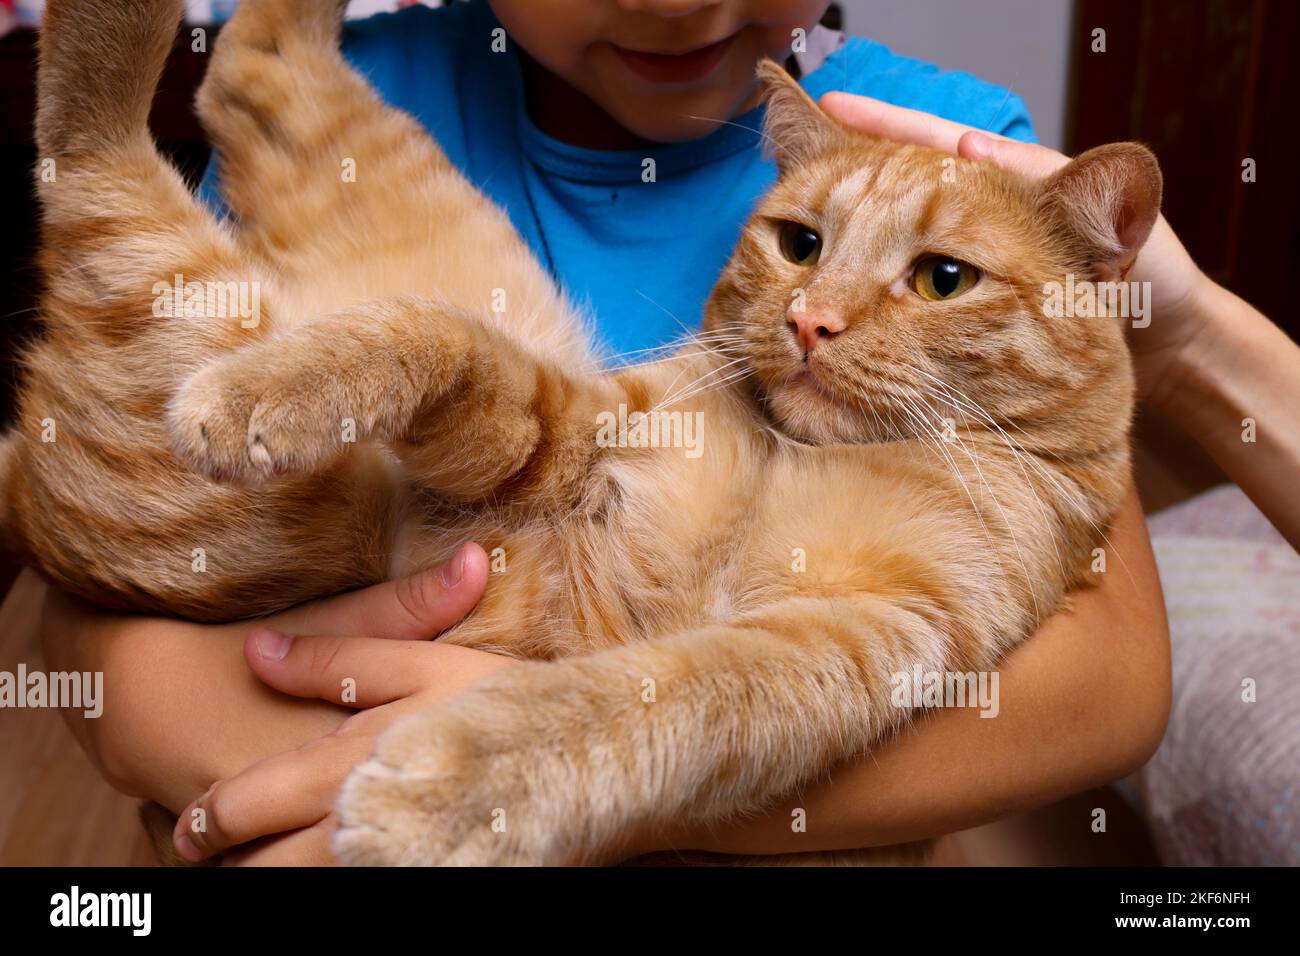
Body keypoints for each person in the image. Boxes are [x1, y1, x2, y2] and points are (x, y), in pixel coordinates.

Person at [26, 0, 1177, 865]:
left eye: (937, 276)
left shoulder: (968, 149)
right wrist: (149, 693)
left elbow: (1098, 680)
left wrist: (573, 758)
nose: (817, 317)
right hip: (292, 659)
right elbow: (91, 606)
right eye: (800, 244)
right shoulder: (397, 79)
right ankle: (104, 158)